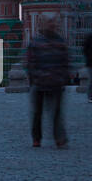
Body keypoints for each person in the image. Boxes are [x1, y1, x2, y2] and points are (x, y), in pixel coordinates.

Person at [26, 16, 71, 148]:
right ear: (44, 26)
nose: (52, 27)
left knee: (57, 112)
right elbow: (30, 61)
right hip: (40, 82)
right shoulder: (37, 42)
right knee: (38, 112)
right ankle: (36, 138)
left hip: (56, 81)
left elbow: (66, 60)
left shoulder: (60, 42)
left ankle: (59, 138)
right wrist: (34, 77)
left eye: (53, 24)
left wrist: (65, 76)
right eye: (49, 25)